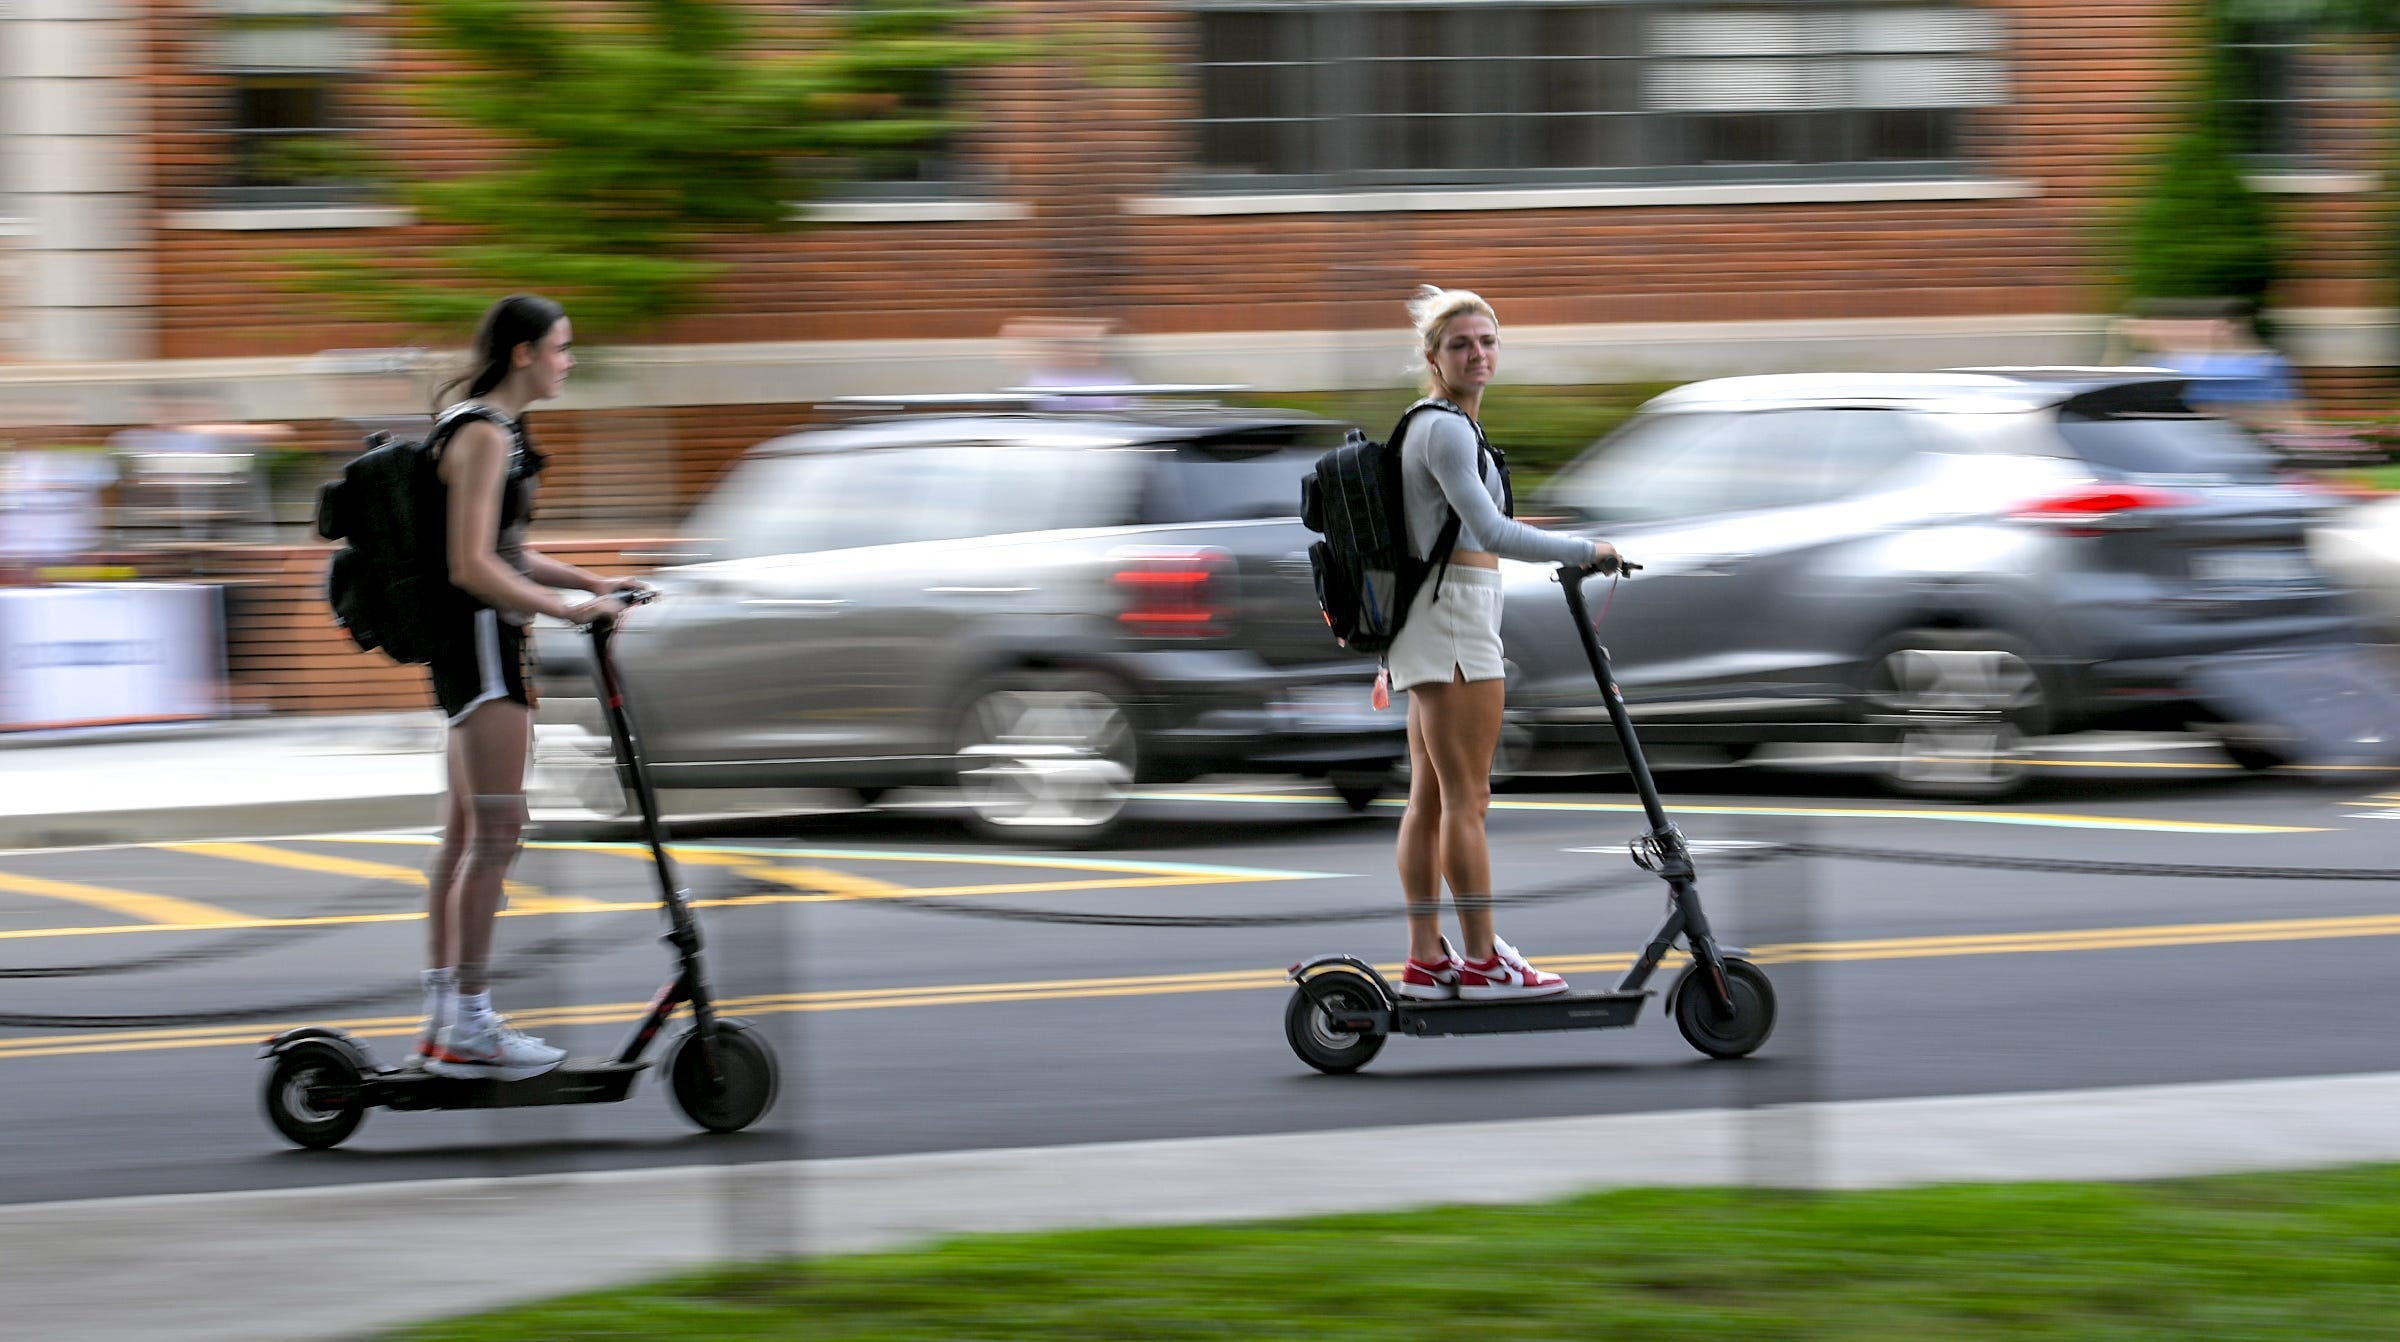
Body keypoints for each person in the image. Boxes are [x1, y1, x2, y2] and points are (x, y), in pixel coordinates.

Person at [412, 294, 645, 1079]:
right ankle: (469, 1025)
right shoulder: (482, 434)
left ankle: (447, 1015)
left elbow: (511, 550)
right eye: (560, 348)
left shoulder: (489, 430)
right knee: (497, 838)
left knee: (464, 839)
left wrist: (591, 581)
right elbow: (471, 564)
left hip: (478, 647)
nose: (567, 361)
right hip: (484, 650)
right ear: (522, 353)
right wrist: (571, 609)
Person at [1388, 286, 1618, 1002]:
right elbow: (1490, 533)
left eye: (1487, 341)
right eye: (1461, 344)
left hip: (1431, 620)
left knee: (1430, 797)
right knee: (1468, 799)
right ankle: (1483, 955)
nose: (1478, 354)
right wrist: (1588, 548)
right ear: (1434, 357)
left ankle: (1428, 952)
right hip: (1453, 621)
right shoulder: (1448, 429)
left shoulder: (1430, 423)